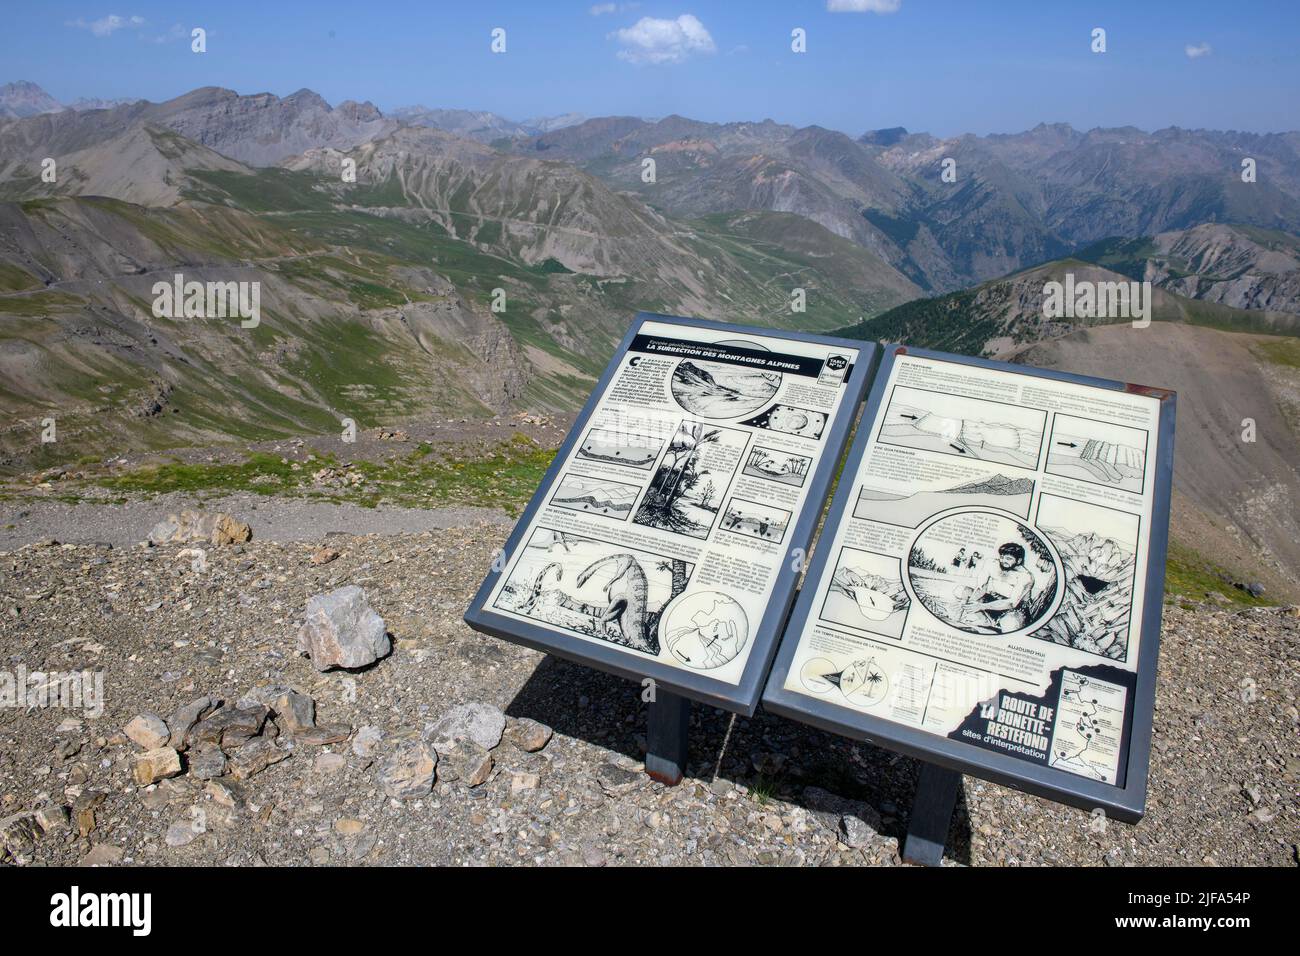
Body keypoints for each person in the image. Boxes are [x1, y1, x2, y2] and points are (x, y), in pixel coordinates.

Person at [959, 542, 1033, 632]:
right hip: (993, 600)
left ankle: (998, 623)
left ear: (1019, 561)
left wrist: (981, 606)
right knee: (965, 591)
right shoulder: (992, 564)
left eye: (1009, 559)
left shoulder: (1026, 576)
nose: (1003, 561)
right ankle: (985, 621)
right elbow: (981, 587)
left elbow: (1011, 603)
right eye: (1002, 557)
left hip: (1016, 609)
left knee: (1009, 623)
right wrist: (968, 605)